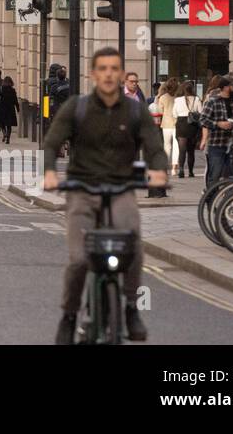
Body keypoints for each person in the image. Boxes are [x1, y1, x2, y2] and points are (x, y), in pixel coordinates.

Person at [43, 46, 168, 345]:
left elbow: (154, 146)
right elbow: (51, 143)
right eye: (103, 69)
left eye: (115, 69)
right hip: (82, 190)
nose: (109, 74)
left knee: (134, 248)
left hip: (121, 188)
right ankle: (69, 316)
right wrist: (49, 173)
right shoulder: (77, 107)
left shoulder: (135, 110)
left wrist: (159, 171)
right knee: (79, 260)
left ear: (122, 74)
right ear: (93, 74)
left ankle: (129, 309)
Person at [199, 74, 233, 187]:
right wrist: (218, 124)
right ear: (225, 87)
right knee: (215, 175)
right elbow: (203, 120)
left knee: (232, 176)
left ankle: (230, 200)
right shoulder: (213, 102)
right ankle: (211, 200)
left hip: (232, 145)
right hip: (216, 144)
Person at [152, 77, 180, 197]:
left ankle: (166, 167)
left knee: (167, 146)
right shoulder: (178, 98)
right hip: (176, 123)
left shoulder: (163, 97)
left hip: (166, 124)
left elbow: (159, 111)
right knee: (176, 146)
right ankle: (174, 167)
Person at [172, 80, 201, 178]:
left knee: (182, 149)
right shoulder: (196, 99)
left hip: (181, 124)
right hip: (192, 124)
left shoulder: (177, 100)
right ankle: (191, 171)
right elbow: (200, 112)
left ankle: (181, 170)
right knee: (191, 150)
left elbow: (174, 114)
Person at [0, 76, 19, 144]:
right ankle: (8, 137)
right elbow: (15, 100)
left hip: (2, 108)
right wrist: (18, 108)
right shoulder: (12, 90)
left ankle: (4, 133)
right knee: (9, 125)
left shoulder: (2, 89)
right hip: (10, 108)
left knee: (2, 123)